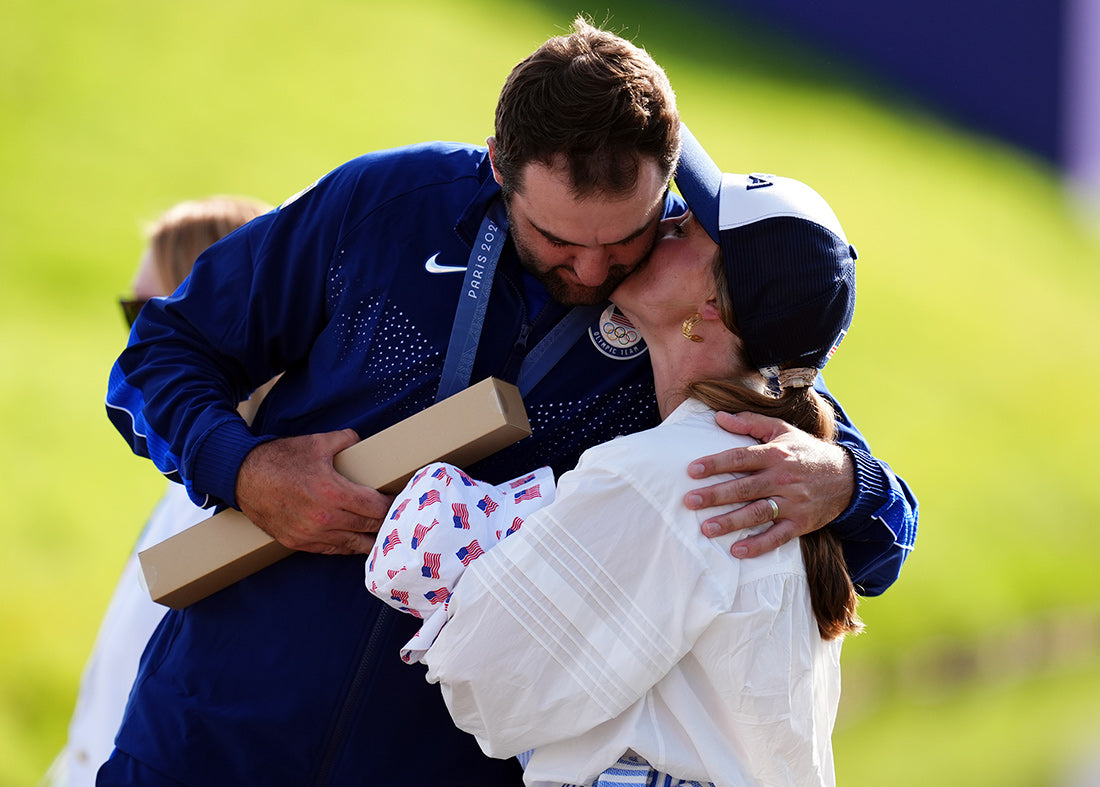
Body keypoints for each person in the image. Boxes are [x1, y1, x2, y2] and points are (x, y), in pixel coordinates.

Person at [100, 18, 916, 786]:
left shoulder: (698, 297)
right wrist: (240, 470)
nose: (593, 273)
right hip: (206, 735)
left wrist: (846, 483)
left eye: (622, 239)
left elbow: (876, 535)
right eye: (558, 239)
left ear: (666, 188)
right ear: (497, 166)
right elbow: (159, 354)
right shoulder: (384, 203)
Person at [366, 139, 864, 786]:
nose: (664, 224)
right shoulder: (759, 469)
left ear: (709, 308)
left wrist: (454, 538)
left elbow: (486, 686)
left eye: (687, 228)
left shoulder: (667, 473)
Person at [45, 197, 270, 787]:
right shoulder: (195, 478)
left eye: (149, 312)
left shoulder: (250, 495)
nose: (139, 345)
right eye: (133, 314)